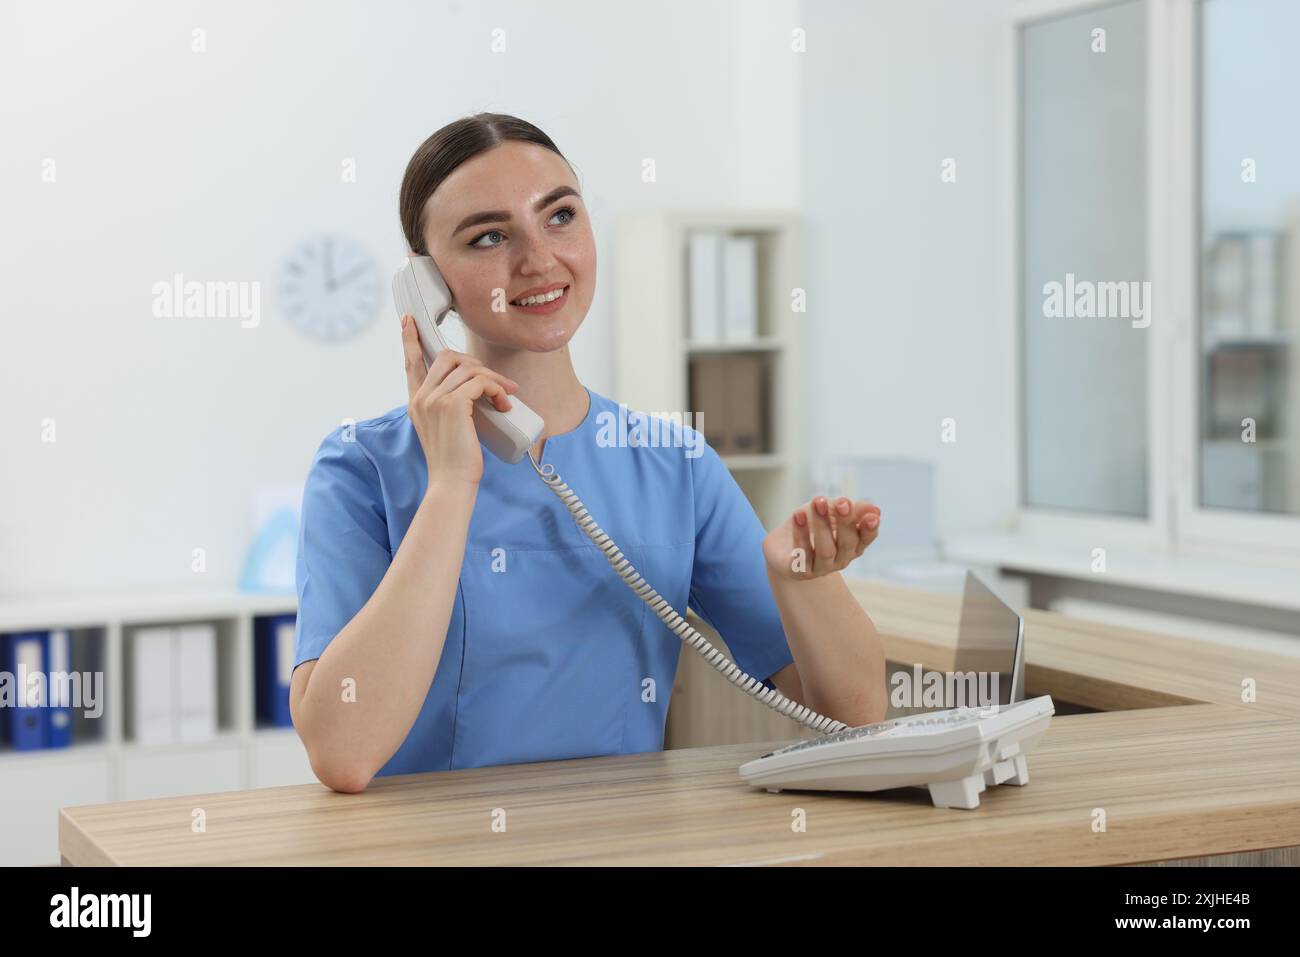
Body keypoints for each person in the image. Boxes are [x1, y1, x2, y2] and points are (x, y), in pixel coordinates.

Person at [289, 113, 886, 793]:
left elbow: (854, 715)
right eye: (489, 236)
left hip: (616, 840)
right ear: (427, 286)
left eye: (561, 216)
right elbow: (342, 752)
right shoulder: (358, 469)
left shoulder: (673, 463)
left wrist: (803, 583)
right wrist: (452, 483)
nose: (539, 259)